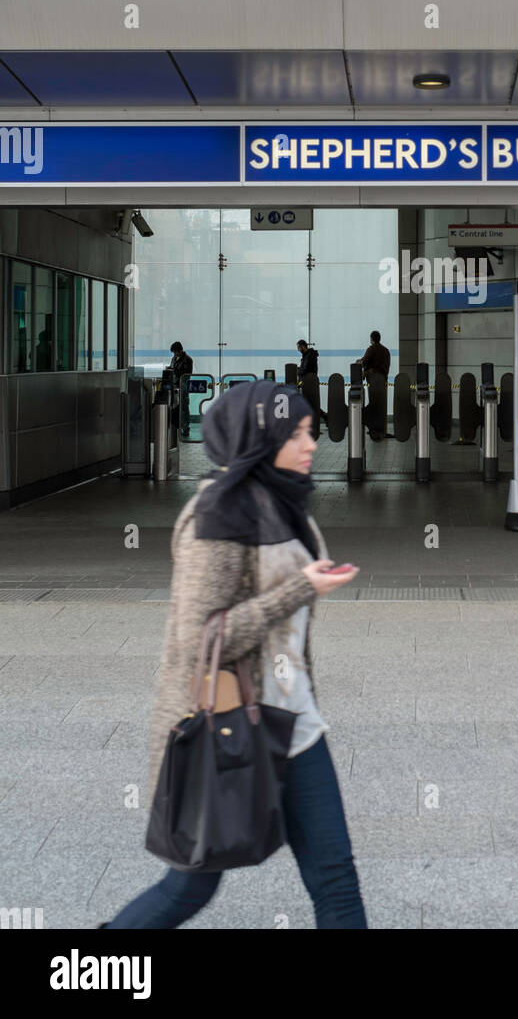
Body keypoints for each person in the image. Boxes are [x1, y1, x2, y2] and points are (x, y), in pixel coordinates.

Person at [100, 381, 366, 929]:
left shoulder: (285, 501)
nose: (311, 444)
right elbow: (200, 641)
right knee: (187, 888)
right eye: (296, 434)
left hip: (296, 725)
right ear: (257, 437)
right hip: (224, 730)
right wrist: (300, 588)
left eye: (310, 431)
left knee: (336, 881)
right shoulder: (214, 518)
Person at [358, 331, 390, 442]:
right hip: (383, 380)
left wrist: (359, 362)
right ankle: (382, 430)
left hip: (374, 379)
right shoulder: (386, 350)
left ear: (372, 339)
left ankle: (374, 429)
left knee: (374, 403)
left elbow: (364, 361)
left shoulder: (371, 349)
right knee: (381, 404)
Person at [298, 339, 327, 424]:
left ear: (303, 346)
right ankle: (323, 417)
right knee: (311, 403)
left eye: (299, 348)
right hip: (308, 382)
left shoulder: (309, 356)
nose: (299, 350)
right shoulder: (307, 355)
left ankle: (321, 419)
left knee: (310, 403)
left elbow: (306, 369)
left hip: (309, 383)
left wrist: (298, 371)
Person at [169, 341, 194, 437]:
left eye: (175, 352)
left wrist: (175, 371)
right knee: (175, 406)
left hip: (183, 385)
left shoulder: (187, 360)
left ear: (180, 350)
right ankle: (177, 426)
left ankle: (186, 427)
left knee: (184, 406)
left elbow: (186, 374)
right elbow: (173, 368)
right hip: (175, 385)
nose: (174, 354)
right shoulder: (174, 358)